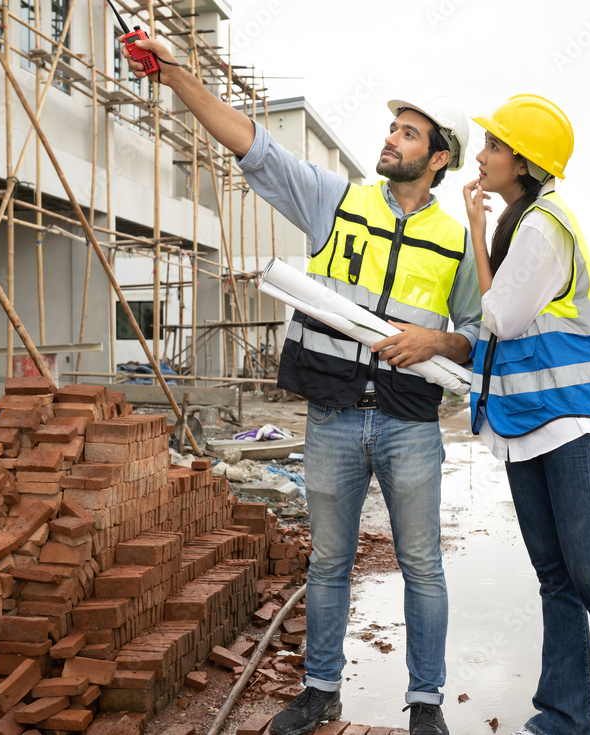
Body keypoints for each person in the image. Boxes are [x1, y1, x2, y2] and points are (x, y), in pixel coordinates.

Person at [122, 38, 481, 735]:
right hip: (334, 416)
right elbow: (251, 143)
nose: (391, 137)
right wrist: (177, 77)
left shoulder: (459, 240)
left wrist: (434, 340)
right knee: (328, 563)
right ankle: (320, 691)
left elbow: (474, 330)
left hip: (410, 423)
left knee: (423, 567)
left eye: (408, 133)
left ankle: (425, 703)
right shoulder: (335, 200)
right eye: (392, 126)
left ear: (438, 157)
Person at [462, 95, 590, 735]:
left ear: (523, 162)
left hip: (572, 425)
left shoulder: (543, 224)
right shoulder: (527, 222)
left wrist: (474, 228)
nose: (482, 155)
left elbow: (500, 316)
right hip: (528, 425)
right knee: (557, 578)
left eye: (494, 146)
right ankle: (564, 717)